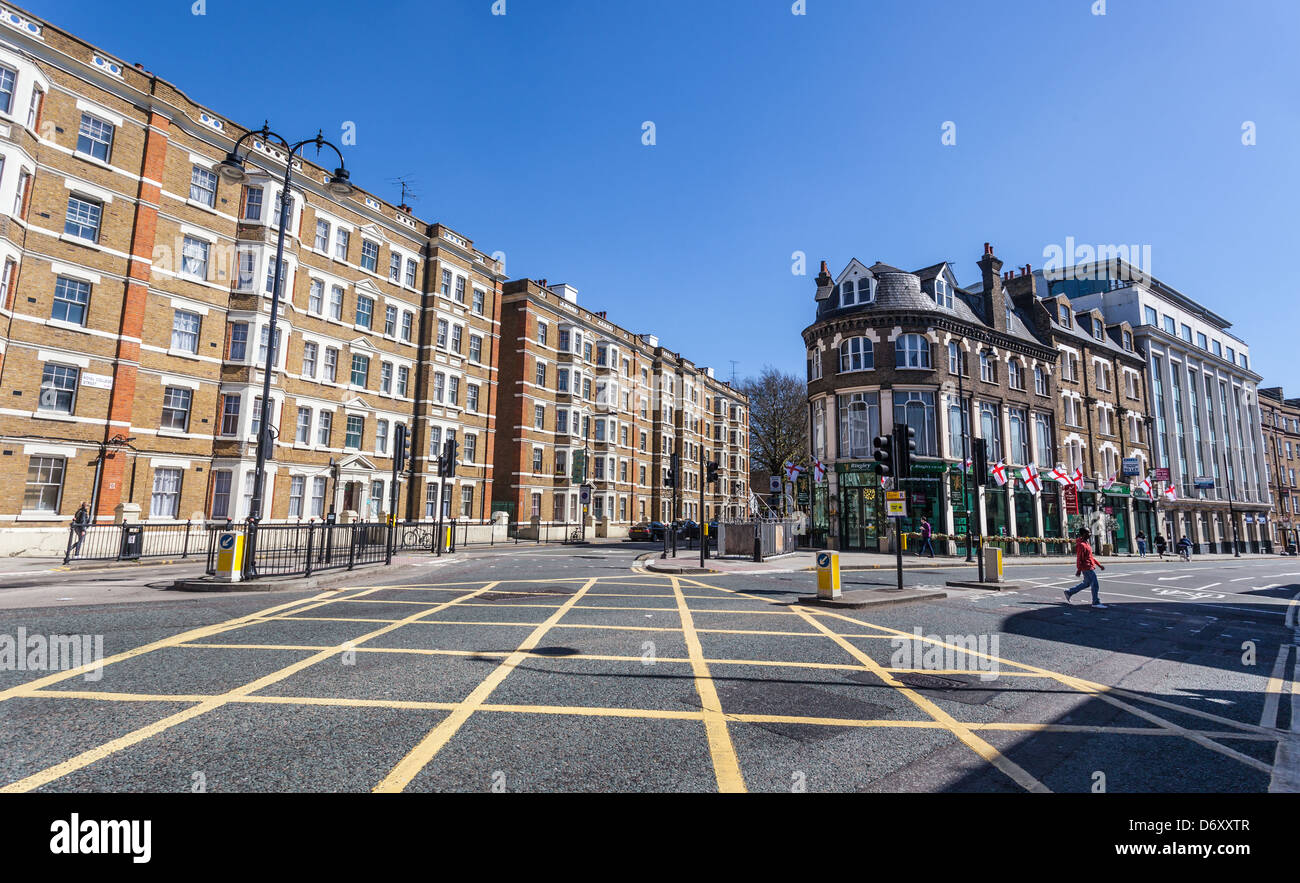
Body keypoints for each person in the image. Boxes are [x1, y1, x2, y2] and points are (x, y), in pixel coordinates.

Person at [1064, 527, 1107, 608]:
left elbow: (1090, 557)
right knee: (1095, 584)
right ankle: (1095, 602)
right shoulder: (1081, 545)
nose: (1090, 534)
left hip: (1089, 566)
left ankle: (1069, 592)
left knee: (1086, 583)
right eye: (1088, 532)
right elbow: (1079, 558)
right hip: (1086, 567)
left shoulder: (1086, 543)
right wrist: (1079, 570)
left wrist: (1099, 565)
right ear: (1084, 534)